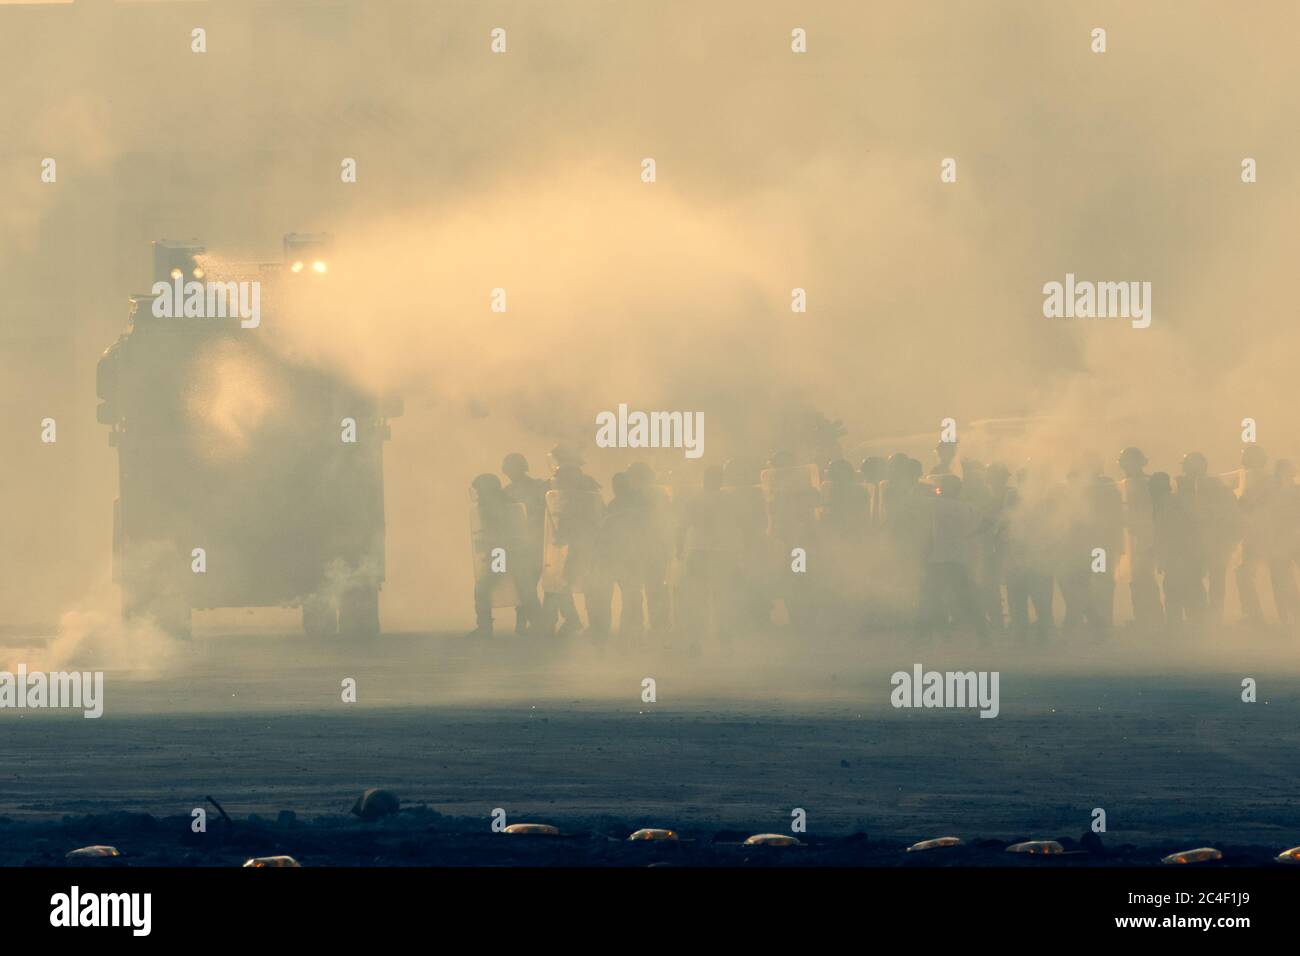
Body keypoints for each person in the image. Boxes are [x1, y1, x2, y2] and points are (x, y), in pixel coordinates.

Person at [917, 474, 988, 644]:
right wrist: (969, 536)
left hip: (938, 559)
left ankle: (922, 637)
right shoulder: (967, 507)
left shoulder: (935, 504)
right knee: (966, 599)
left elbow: (920, 496)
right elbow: (985, 522)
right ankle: (983, 635)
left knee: (929, 598)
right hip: (957, 558)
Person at [468, 473, 540, 638]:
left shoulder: (491, 506)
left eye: (479, 489)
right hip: (519, 553)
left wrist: (491, 551)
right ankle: (540, 625)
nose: (478, 494)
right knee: (525, 589)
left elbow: (497, 534)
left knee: (483, 588)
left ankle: (485, 628)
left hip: (501, 554)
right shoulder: (508, 502)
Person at [501, 452, 548, 635]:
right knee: (522, 587)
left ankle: (538, 624)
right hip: (518, 545)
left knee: (526, 587)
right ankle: (524, 625)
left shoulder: (538, 487)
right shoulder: (506, 492)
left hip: (536, 543)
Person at [1118, 446, 1163, 628]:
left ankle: (1154, 619)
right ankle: (1143, 618)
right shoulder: (1123, 484)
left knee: (1144, 576)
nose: (1128, 466)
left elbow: (1160, 511)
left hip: (1148, 536)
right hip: (1133, 538)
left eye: (1132, 462)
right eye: (1126, 462)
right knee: (1136, 577)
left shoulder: (1150, 484)